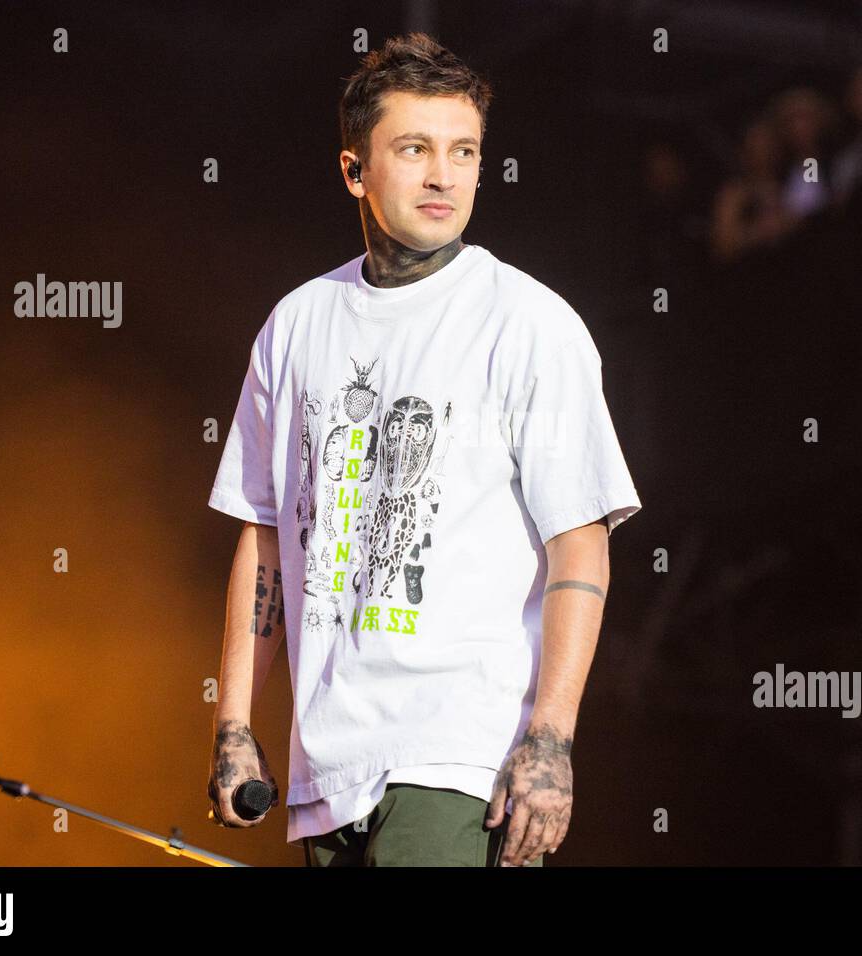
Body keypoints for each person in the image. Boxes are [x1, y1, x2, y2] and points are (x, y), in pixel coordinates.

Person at [204, 32, 642, 867]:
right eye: (414, 149)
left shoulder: (527, 322)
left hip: (460, 758)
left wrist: (549, 740)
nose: (444, 174)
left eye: (465, 151)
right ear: (354, 170)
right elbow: (265, 533)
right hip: (324, 766)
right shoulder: (296, 324)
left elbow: (579, 543)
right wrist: (233, 723)